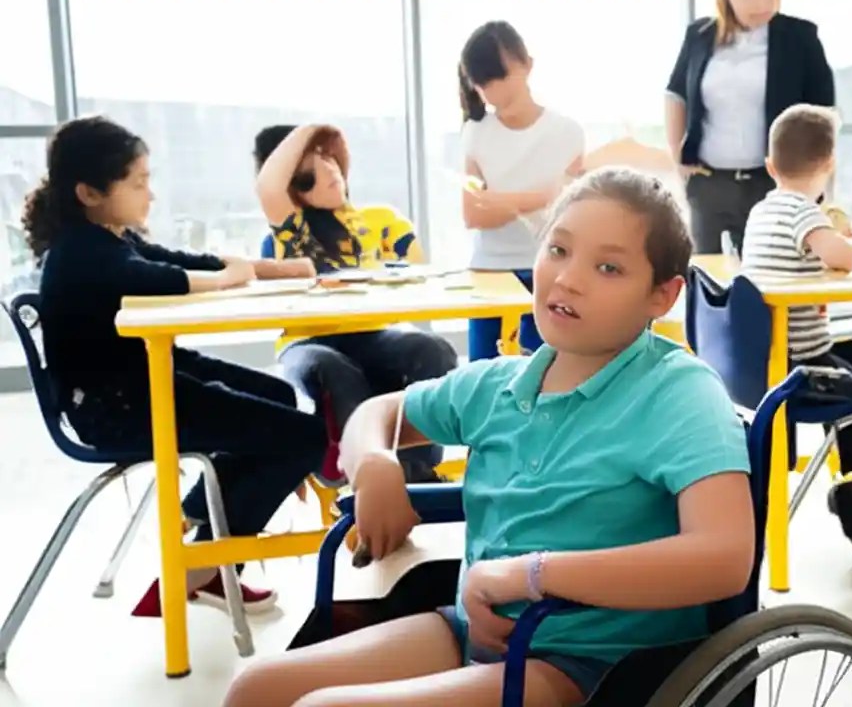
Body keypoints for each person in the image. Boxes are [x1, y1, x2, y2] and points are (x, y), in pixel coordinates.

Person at [222, 168, 755, 707]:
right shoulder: (500, 384)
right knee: (255, 691)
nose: (568, 279)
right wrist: (376, 464)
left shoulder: (678, 391)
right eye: (558, 250)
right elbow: (379, 414)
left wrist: (530, 575)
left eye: (609, 267)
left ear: (662, 295)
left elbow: (724, 557)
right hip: (477, 630)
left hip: (597, 664)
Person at [25, 116, 326, 615]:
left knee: (277, 399)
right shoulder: (81, 252)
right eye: (138, 182)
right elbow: (163, 278)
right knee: (305, 438)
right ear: (89, 192)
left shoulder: (106, 235)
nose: (151, 195)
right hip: (117, 407)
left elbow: (187, 260)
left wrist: (276, 270)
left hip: (139, 383)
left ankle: (198, 524)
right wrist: (230, 280)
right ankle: (202, 566)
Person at [741, 104, 852, 557]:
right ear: (829, 165)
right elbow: (841, 258)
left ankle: (850, 480)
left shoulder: (763, 211)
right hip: (802, 367)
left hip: (767, 362)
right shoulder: (803, 211)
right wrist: (841, 241)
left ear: (770, 166)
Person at [255, 124, 458, 484]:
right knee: (333, 367)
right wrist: (311, 130)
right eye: (310, 172)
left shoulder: (380, 220)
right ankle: (361, 473)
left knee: (431, 350)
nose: (329, 172)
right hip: (307, 342)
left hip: (371, 334)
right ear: (294, 185)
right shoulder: (293, 230)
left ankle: (417, 473)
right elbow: (269, 186)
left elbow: (417, 274)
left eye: (329, 160)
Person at [665, 0, 835, 256]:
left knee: (782, 275)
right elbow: (676, 94)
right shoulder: (699, 35)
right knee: (709, 280)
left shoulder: (800, 37)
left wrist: (821, 187)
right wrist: (676, 153)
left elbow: (823, 115)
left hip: (777, 187)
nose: (762, 4)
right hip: (710, 185)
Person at [459, 20, 585, 361]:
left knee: (544, 371)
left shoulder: (566, 132)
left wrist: (498, 201)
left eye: (501, 76)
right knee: (481, 376)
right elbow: (473, 214)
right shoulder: (475, 132)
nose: (496, 91)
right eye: (485, 82)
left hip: (548, 269)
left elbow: (573, 210)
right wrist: (542, 197)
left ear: (527, 64)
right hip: (489, 273)